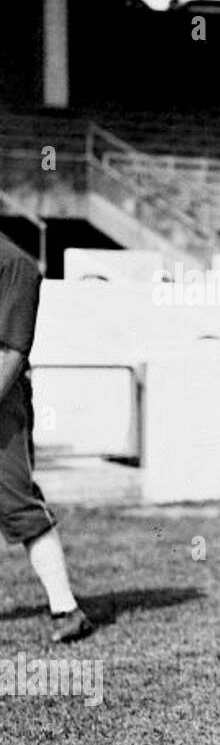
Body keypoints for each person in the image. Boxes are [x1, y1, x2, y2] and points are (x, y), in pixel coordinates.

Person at [0, 233, 96, 643]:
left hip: (2, 405)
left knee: (16, 501)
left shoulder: (15, 264)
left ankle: (67, 609)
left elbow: (12, 352)